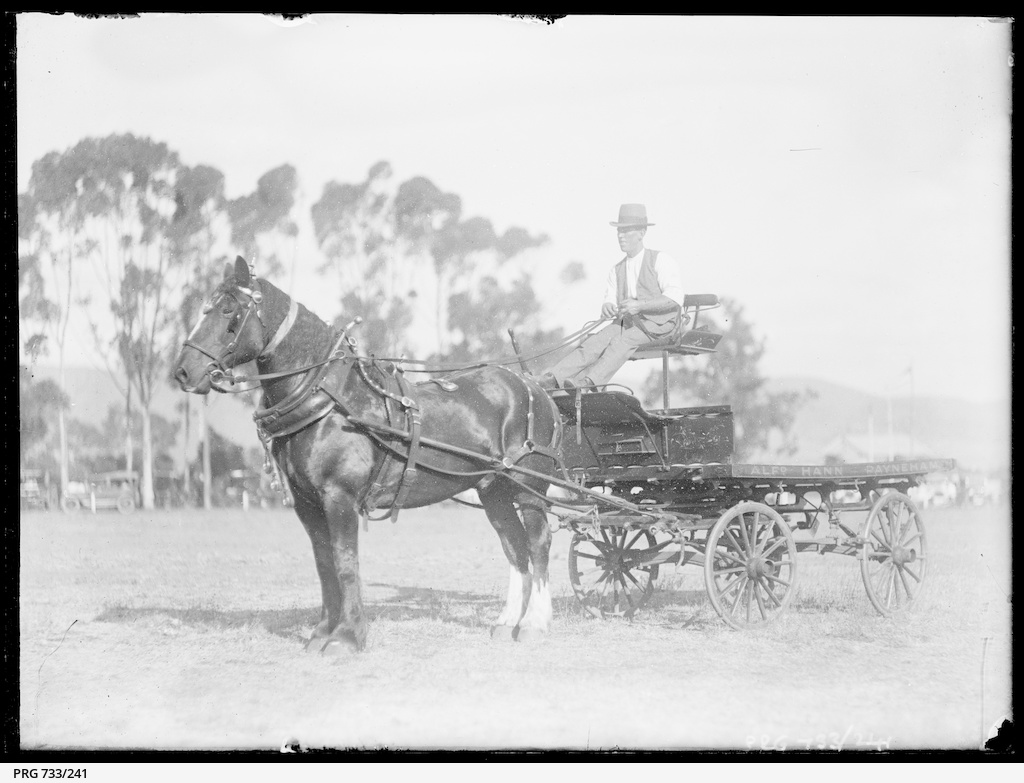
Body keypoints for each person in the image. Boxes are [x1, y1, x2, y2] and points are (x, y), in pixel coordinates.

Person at [539, 203, 685, 389]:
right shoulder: (616, 270)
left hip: (660, 325)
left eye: (626, 231)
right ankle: (553, 379)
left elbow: (674, 299)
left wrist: (639, 306)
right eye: (618, 231)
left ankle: (588, 383)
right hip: (629, 323)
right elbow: (610, 298)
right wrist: (607, 306)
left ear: (641, 233)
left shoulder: (661, 260)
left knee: (623, 341)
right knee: (596, 340)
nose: (620, 236)